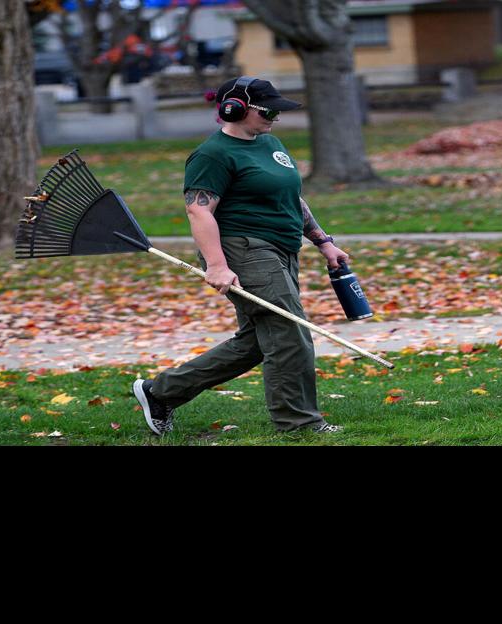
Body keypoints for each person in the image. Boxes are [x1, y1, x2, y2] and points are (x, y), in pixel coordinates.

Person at [133, 76, 351, 436]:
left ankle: (160, 392)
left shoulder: (269, 143)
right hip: (244, 250)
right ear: (233, 109)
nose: (274, 118)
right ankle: (298, 424)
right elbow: (199, 211)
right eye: (267, 111)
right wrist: (217, 265)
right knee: (289, 332)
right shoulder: (212, 155)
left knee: (255, 343)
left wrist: (323, 241)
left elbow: (290, 197)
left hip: (281, 250)